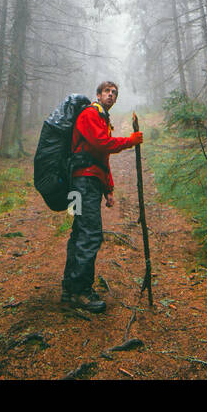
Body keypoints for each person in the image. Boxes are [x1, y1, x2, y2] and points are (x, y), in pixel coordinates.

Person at [61, 80, 142, 313]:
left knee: (79, 233)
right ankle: (80, 291)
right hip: (82, 184)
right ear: (98, 94)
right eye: (107, 91)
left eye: (114, 93)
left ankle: (70, 287)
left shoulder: (102, 118)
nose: (111, 95)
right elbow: (101, 143)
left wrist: (109, 190)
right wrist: (130, 141)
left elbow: (100, 156)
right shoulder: (90, 113)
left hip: (87, 182)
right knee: (89, 235)